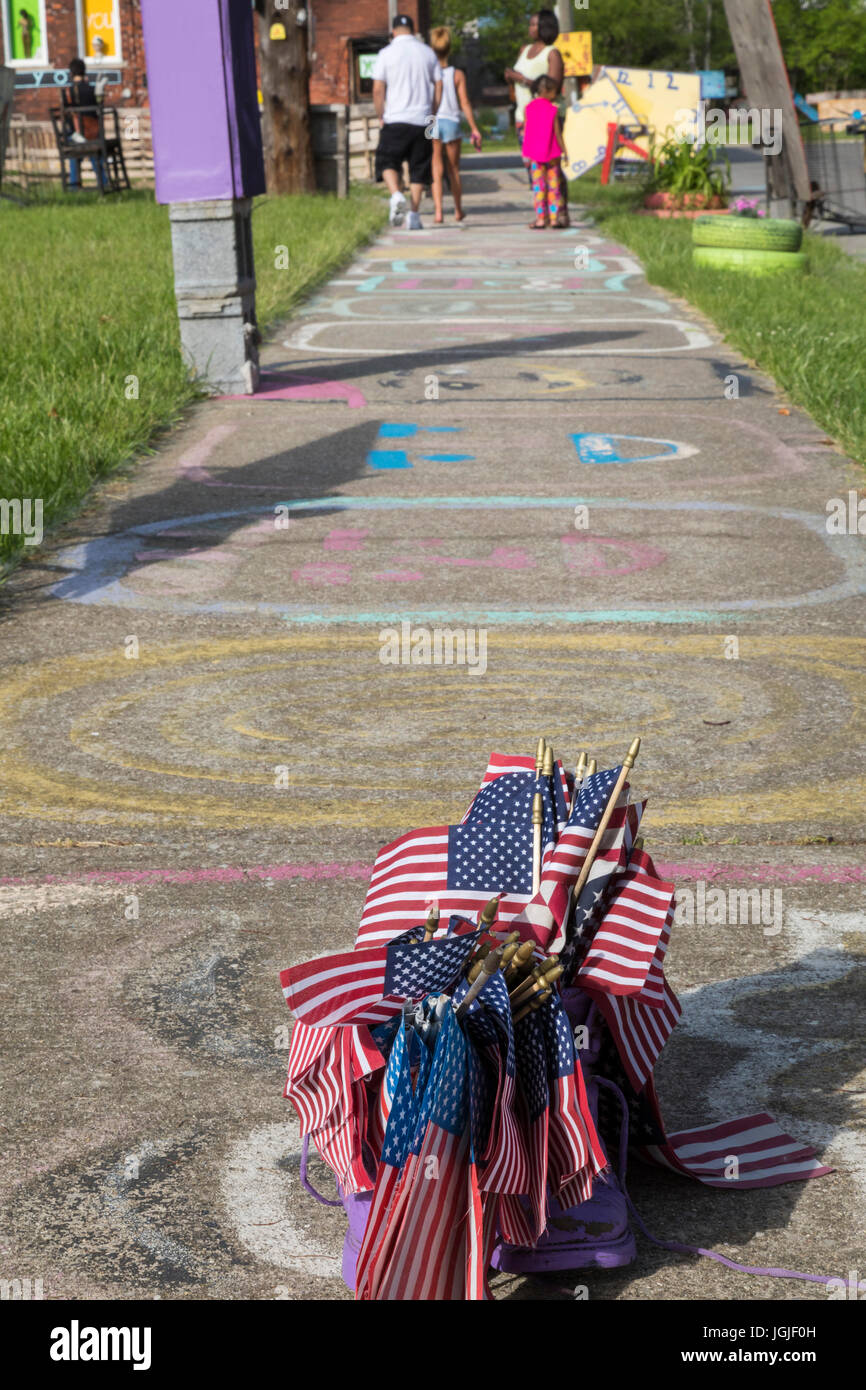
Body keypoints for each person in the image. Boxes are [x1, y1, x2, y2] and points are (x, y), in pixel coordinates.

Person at [372, 13, 441, 231]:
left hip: (395, 118)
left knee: (386, 161)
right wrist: (433, 112)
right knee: (420, 167)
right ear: (413, 30)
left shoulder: (385, 53)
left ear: (393, 32)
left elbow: (377, 89)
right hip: (425, 120)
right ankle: (414, 214)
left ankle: (395, 195)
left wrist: (380, 114)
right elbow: (439, 85)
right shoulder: (427, 52)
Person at [504, 8, 569, 226]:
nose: (530, 28)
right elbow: (517, 79)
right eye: (530, 24)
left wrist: (522, 79)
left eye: (534, 24)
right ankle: (542, 213)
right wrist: (511, 79)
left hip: (547, 119)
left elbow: (553, 87)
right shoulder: (525, 49)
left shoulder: (552, 53)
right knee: (532, 167)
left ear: (546, 27)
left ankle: (560, 212)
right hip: (524, 116)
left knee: (552, 166)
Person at [429, 26, 482, 225]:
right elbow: (465, 103)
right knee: (453, 170)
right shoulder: (457, 74)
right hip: (451, 121)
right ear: (449, 48)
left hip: (431, 121)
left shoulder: (428, 72)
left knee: (435, 169)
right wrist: (474, 127)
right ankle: (458, 210)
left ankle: (438, 213)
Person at [522, 74, 565, 229]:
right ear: (546, 91)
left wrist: (525, 153)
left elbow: (527, 132)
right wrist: (565, 151)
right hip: (552, 154)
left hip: (535, 155)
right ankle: (554, 219)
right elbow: (557, 133)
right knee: (554, 187)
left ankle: (541, 219)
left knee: (539, 187)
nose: (556, 94)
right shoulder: (553, 109)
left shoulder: (528, 108)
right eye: (554, 91)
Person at [62, 58, 106, 191]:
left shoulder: (67, 92)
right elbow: (99, 109)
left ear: (71, 73)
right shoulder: (92, 90)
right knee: (96, 155)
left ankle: (74, 186)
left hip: (76, 136)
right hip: (93, 135)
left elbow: (66, 118)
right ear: (84, 72)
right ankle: (103, 183)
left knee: (74, 156)